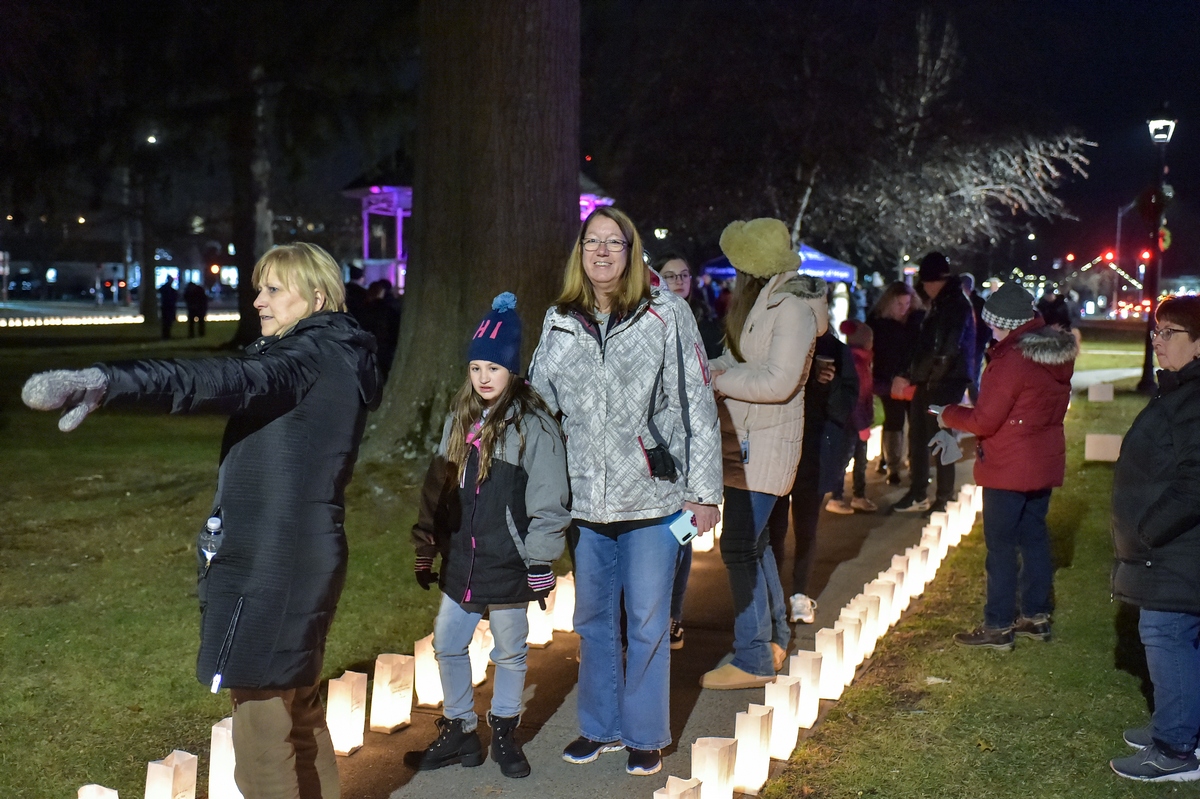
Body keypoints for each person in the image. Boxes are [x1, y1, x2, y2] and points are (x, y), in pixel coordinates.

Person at [22, 242, 380, 799]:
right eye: (258, 288)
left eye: (273, 289)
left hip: (273, 564)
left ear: (316, 297)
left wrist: (110, 382)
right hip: (299, 554)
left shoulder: (306, 359)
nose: (258, 301)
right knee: (299, 715)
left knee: (262, 741)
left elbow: (215, 379)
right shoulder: (334, 354)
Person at [529, 206, 722, 777]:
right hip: (585, 501)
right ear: (580, 252)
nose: (602, 251)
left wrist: (704, 492)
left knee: (646, 622)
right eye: (592, 241)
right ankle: (600, 727)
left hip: (653, 498)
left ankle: (645, 734)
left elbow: (696, 403)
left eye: (615, 242)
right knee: (593, 623)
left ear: (632, 252)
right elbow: (538, 406)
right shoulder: (560, 319)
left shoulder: (666, 313)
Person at [410, 293, 569, 779]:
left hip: (509, 559)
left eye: (493, 368)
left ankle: (504, 730)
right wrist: (426, 545)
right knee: (447, 642)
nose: (483, 377)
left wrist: (539, 560)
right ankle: (460, 728)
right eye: (476, 367)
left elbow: (549, 499)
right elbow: (438, 489)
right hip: (463, 558)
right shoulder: (460, 420)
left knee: (510, 649)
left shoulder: (533, 427)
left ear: (512, 371)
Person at [701, 218, 819, 689]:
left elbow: (777, 381)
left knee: (738, 546)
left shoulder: (790, 307)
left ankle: (753, 657)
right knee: (756, 543)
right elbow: (745, 360)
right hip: (749, 440)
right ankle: (772, 640)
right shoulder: (770, 300)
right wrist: (710, 367)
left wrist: (720, 381)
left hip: (764, 443)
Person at [932, 282, 1075, 651]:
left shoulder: (1011, 361)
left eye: (992, 325)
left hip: (1008, 465)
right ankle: (1035, 616)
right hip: (1042, 462)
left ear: (1005, 324)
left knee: (1001, 547)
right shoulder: (1053, 355)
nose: (990, 332)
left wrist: (947, 413)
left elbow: (984, 420)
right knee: (1034, 538)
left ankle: (998, 625)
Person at [1108, 295, 1200, 782]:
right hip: (1168, 550)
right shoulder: (1179, 390)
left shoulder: (1193, 398)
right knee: (1177, 637)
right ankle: (1180, 726)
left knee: (1167, 635)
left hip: (1173, 550)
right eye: (1156, 332)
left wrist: (1147, 531)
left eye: (1169, 333)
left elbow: (1195, 481)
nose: (1157, 342)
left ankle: (1176, 750)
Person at [652, 251, 722, 651]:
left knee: (681, 538)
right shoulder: (651, 322)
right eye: (669, 275)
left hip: (689, 455)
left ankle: (673, 615)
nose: (678, 282)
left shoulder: (705, 324)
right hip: (660, 452)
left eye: (684, 275)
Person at [890, 252, 975, 513]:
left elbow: (945, 349)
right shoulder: (943, 304)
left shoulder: (953, 305)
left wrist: (923, 378)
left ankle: (942, 496)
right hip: (932, 380)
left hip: (943, 381)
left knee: (939, 437)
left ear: (933, 281)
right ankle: (920, 493)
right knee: (919, 436)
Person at [866, 282, 922, 486]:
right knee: (894, 420)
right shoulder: (877, 323)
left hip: (911, 378)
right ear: (889, 303)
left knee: (915, 421)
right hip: (886, 378)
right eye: (899, 304)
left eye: (907, 303)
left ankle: (913, 462)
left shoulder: (916, 320)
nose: (904, 308)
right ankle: (893, 466)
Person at [826, 320, 878, 514]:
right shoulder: (857, 363)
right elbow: (856, 398)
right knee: (844, 459)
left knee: (860, 460)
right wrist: (862, 425)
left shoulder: (861, 361)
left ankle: (859, 496)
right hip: (851, 423)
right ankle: (836, 498)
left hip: (857, 421)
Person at [960, 272, 990, 402]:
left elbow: (986, 328)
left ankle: (977, 404)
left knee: (972, 378)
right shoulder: (979, 303)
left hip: (974, 347)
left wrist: (980, 343)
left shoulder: (976, 304)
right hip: (971, 347)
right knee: (970, 377)